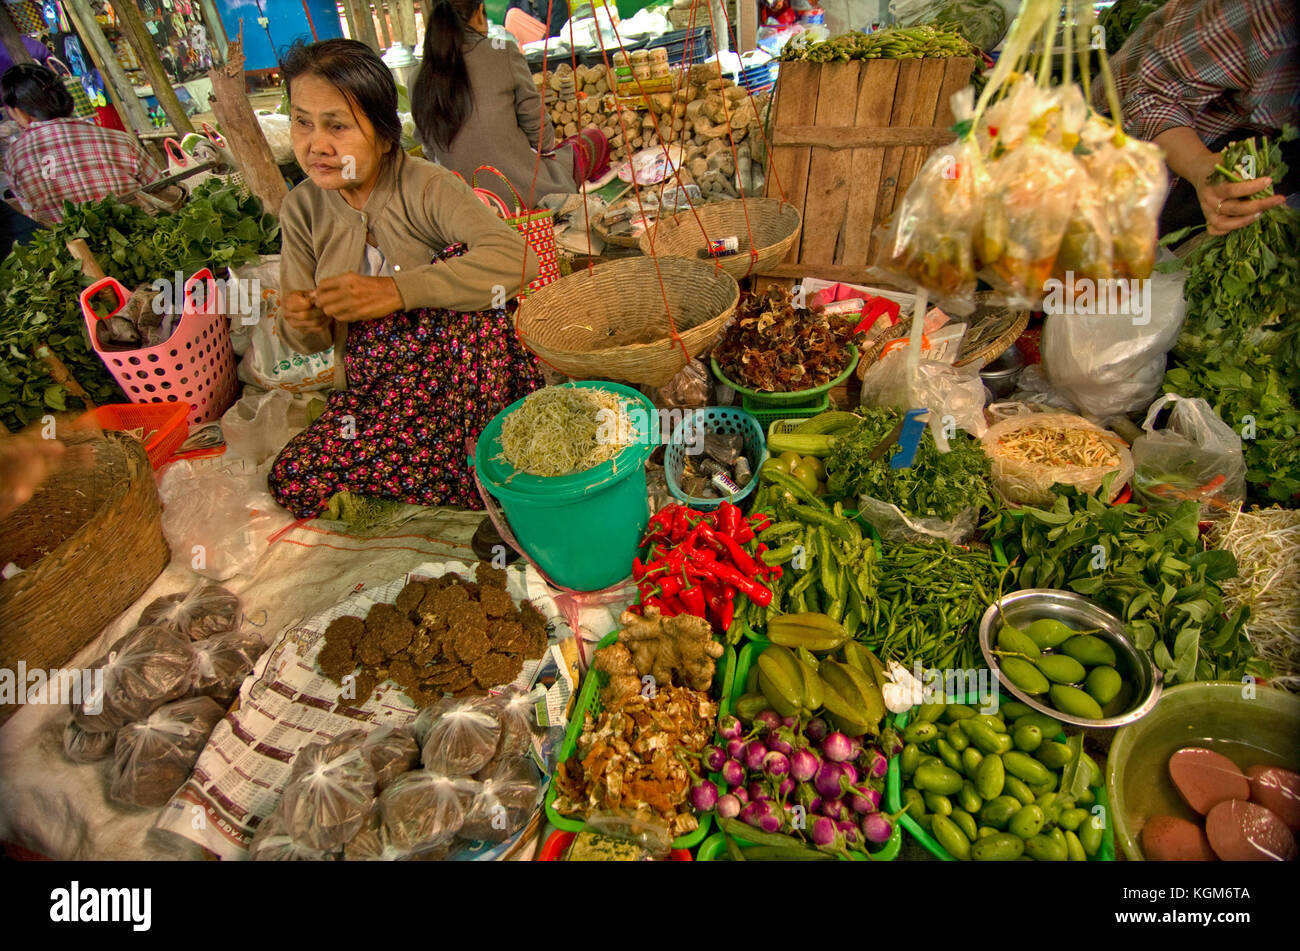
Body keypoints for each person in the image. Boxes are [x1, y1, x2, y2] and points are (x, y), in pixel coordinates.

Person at [267, 39, 543, 519]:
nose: (317, 145)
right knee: (294, 479)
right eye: (302, 122)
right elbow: (306, 340)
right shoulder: (303, 208)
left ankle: (473, 456)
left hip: (461, 384)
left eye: (337, 125)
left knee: (465, 266)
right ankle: (452, 469)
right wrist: (301, 318)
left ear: (382, 130)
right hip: (379, 399)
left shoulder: (426, 186)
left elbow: (517, 261)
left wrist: (397, 291)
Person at [1104, 0, 1298, 236]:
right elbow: (1151, 98)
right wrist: (1200, 166)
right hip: (1144, 133)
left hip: (1254, 119)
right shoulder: (1266, 11)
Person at [412, 0, 608, 211]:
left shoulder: (416, 77)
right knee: (594, 139)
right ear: (479, 12)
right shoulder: (502, 52)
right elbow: (543, 139)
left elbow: (430, 151)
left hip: (466, 205)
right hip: (523, 196)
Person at [1, 62, 172, 225]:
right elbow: (163, 191)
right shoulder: (119, 140)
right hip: (141, 240)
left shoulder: (14, 158)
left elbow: (33, 215)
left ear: (19, 112)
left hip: (71, 253)